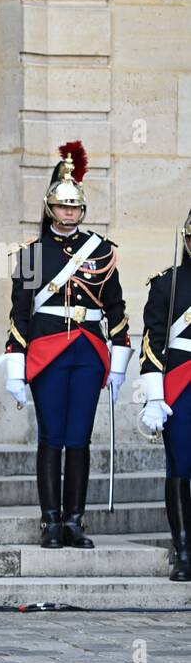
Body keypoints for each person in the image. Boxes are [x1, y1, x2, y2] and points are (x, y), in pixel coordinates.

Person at [3, 142, 131, 549]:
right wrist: (15, 364)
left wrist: (119, 360)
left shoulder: (102, 252)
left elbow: (117, 309)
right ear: (50, 209)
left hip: (90, 354)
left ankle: (75, 521)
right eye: (63, 207)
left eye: (75, 208)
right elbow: (20, 314)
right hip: (47, 355)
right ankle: (50, 521)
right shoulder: (32, 254)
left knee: (79, 438)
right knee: (51, 437)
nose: (69, 214)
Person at [137, 210, 191, 580]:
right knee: (182, 465)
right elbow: (152, 343)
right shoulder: (167, 285)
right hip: (182, 385)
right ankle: (184, 549)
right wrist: (154, 395)